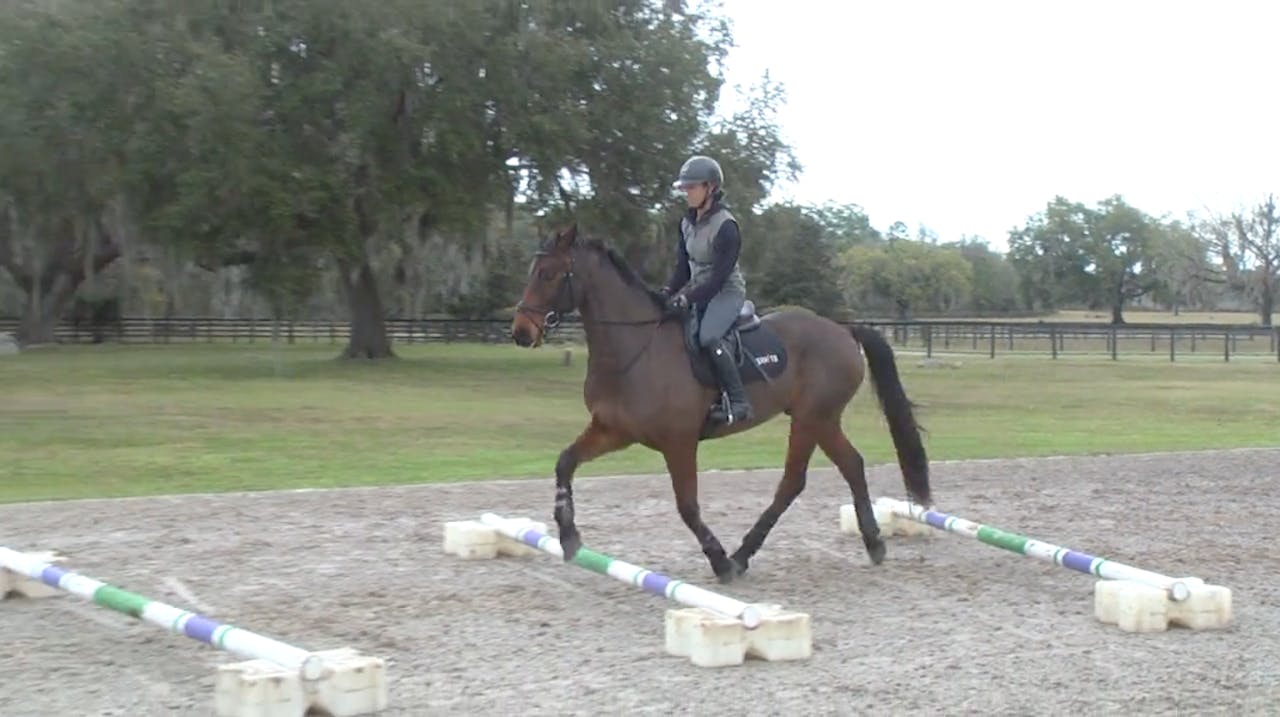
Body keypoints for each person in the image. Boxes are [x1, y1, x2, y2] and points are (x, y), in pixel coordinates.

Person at [661, 154, 754, 426]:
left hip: (725, 292)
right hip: (697, 288)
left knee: (709, 337)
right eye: (684, 188)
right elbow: (682, 268)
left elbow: (717, 278)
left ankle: (738, 402)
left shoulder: (727, 226)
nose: (686, 192)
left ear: (710, 188)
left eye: (691, 187)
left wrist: (686, 298)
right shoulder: (686, 223)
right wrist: (668, 293)